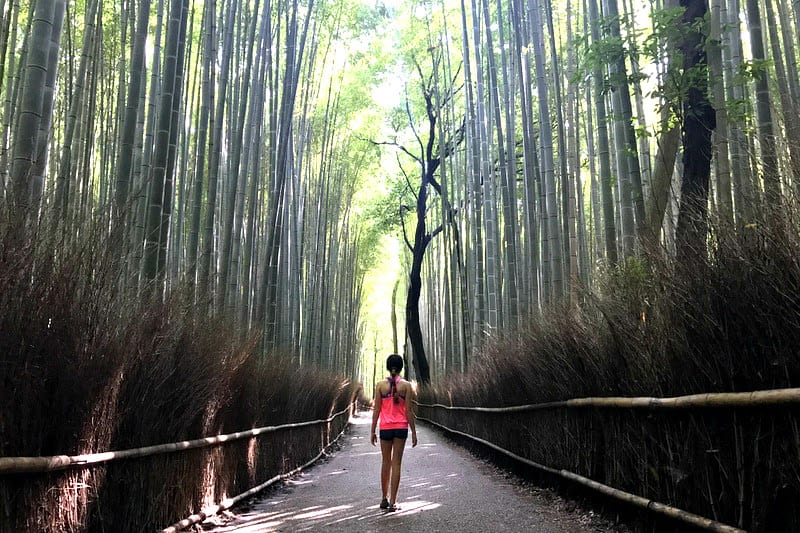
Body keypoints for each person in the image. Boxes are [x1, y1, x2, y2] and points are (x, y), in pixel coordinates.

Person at [370, 354, 417, 512]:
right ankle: (393, 502)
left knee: (386, 462)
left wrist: (372, 430)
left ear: (388, 367)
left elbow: (376, 410)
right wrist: (414, 432)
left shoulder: (380, 386)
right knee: (396, 463)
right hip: (400, 428)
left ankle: (383, 498)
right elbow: (408, 411)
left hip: (385, 428)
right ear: (401, 367)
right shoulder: (406, 386)